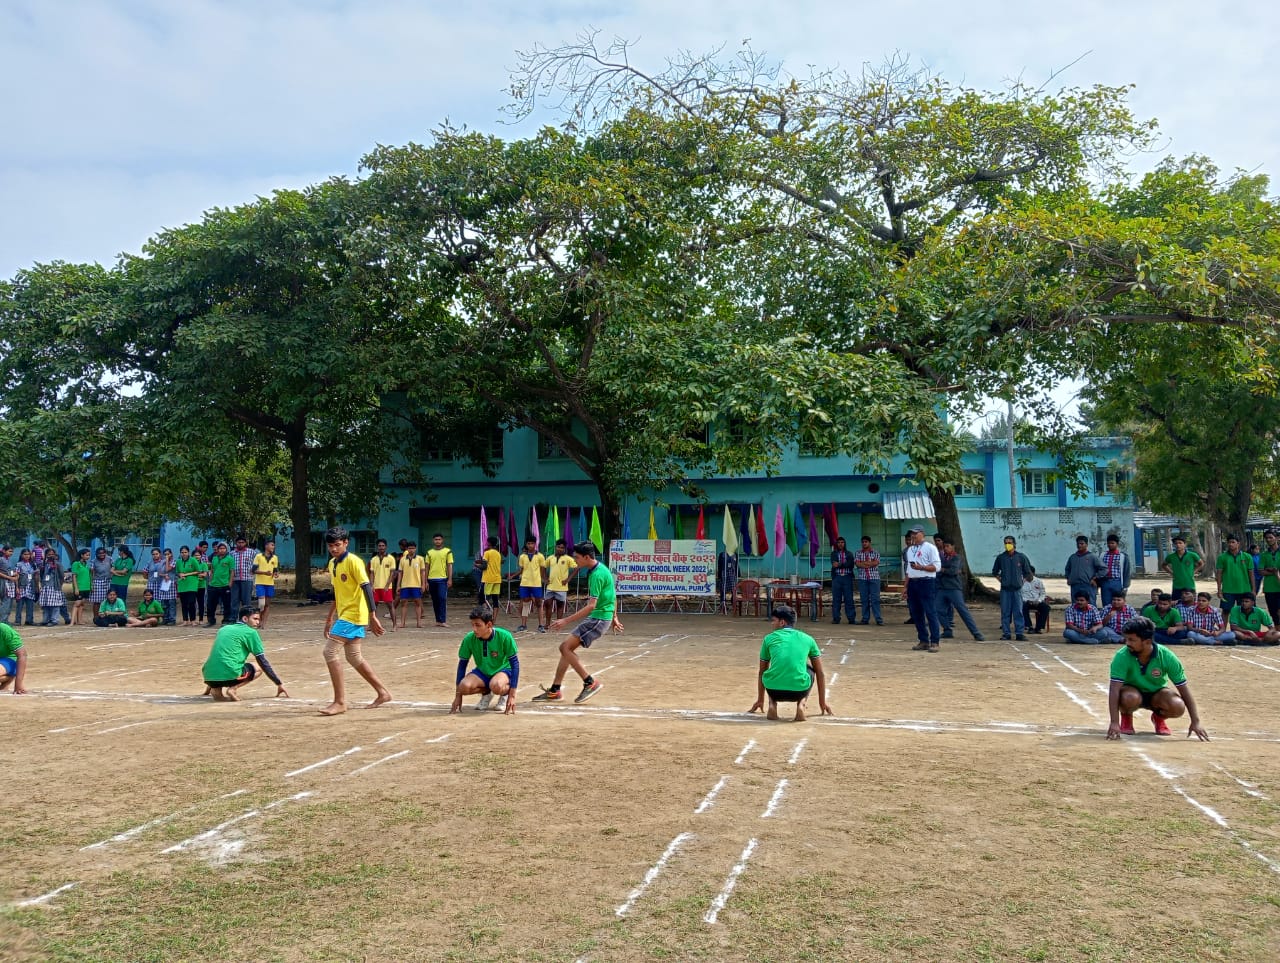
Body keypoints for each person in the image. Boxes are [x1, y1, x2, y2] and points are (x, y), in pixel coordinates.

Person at [531, 541, 619, 703]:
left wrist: (565, 620)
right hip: (601, 617)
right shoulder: (600, 569)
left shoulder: (597, 575)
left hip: (598, 618)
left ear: (586, 557)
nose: (575, 561)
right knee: (567, 649)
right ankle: (555, 690)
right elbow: (612, 595)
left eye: (577, 558)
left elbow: (591, 606)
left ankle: (590, 682)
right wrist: (614, 617)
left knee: (565, 648)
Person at [320, 526, 391, 716]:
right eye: (330, 546)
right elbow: (336, 592)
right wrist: (329, 617)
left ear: (345, 543)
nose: (334, 549)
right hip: (344, 614)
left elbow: (367, 587)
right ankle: (383, 693)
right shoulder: (333, 564)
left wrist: (372, 615)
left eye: (337, 545)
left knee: (329, 651)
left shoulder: (354, 562)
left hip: (354, 614)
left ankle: (340, 701)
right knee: (353, 656)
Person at [1106, 617, 1209, 740]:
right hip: (1130, 693)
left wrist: (1195, 721)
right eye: (1127, 639)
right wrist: (1114, 722)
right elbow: (1114, 689)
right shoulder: (1122, 656)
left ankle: (1159, 718)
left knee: (1177, 706)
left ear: (1147, 642)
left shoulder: (1167, 656)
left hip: (1157, 694)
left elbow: (1183, 689)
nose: (1127, 643)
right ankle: (1126, 717)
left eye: (1132, 640)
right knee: (1129, 697)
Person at [748, 604, 832, 722]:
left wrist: (760, 699)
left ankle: (772, 704)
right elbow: (820, 673)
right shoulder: (808, 639)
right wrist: (822, 703)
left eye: (774, 621)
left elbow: (762, 671)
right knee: (810, 669)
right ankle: (801, 704)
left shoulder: (768, 638)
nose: (772, 623)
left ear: (782, 623)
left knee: (771, 671)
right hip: (799, 691)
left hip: (774, 690)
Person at [201, 607, 290, 702]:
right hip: (231, 674)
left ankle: (215, 689)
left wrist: (210, 685)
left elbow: (219, 657)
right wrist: (278, 683)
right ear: (245, 619)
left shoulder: (224, 629)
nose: (258, 622)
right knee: (258, 668)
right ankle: (233, 689)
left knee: (219, 691)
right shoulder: (251, 632)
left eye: (259, 619)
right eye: (255, 619)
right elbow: (262, 661)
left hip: (209, 675)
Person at [451, 605, 519, 714]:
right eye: (472, 625)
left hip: (503, 670)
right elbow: (462, 665)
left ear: (489, 625)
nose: (474, 629)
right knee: (463, 687)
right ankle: (487, 693)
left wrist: (512, 695)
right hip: (483, 671)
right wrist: (458, 696)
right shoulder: (469, 638)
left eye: (478, 625)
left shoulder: (505, 636)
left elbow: (515, 664)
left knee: (496, 685)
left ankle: (505, 694)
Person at [903, 526, 942, 651]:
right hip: (913, 583)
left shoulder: (930, 548)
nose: (913, 536)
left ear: (922, 534)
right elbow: (909, 570)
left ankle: (935, 641)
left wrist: (922, 567)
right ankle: (923, 640)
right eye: (912, 534)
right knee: (916, 613)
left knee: (930, 612)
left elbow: (937, 567)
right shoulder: (910, 550)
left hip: (926, 582)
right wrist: (905, 587)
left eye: (916, 533)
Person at [991, 536, 1032, 641]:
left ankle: (1019, 633)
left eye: (1009, 542)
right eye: (1005, 543)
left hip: (1017, 590)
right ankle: (1006, 633)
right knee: (1005, 612)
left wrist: (1021, 582)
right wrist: (1002, 580)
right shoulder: (1001, 558)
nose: (1007, 544)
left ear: (1014, 544)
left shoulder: (1021, 557)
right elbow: (995, 572)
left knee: (1018, 611)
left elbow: (1028, 572)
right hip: (1005, 590)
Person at [1216, 534, 1256, 620]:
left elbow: (1251, 574)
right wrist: (1219, 590)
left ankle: (1243, 631)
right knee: (1226, 611)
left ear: (1238, 543)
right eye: (1229, 542)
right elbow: (1219, 574)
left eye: (1233, 542)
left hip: (1244, 590)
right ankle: (1223, 630)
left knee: (1244, 611)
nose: (1230, 544)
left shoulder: (1247, 556)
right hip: (1227, 590)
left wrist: (1253, 589)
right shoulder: (1222, 557)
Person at [542, 539, 577, 629]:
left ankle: (558, 625)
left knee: (560, 606)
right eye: (558, 547)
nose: (560, 549)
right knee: (548, 605)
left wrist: (568, 579)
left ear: (565, 549)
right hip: (550, 586)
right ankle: (547, 624)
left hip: (562, 587)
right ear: (555, 547)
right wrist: (545, 578)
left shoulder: (568, 559)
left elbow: (577, 568)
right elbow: (543, 567)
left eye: (562, 548)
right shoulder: (550, 558)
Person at [513, 537, 545, 632]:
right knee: (525, 602)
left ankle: (541, 625)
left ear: (535, 544)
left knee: (539, 603)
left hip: (536, 583)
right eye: (528, 543)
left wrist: (541, 578)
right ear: (526, 545)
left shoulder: (540, 556)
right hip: (525, 582)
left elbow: (542, 569)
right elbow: (522, 569)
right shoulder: (522, 557)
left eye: (532, 543)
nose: (530, 545)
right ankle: (523, 625)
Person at [1064, 536, 1105, 608]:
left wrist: (1095, 578)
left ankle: (1092, 619)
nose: (1079, 545)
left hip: (1088, 585)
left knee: (1090, 605)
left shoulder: (1092, 557)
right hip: (1075, 586)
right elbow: (1067, 569)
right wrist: (1068, 578)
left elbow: (1104, 569)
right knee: (1076, 605)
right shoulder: (1073, 557)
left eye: (1082, 544)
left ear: (1086, 544)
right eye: (1078, 544)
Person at [1160, 535, 1203, 600]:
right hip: (1177, 585)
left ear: (1185, 544)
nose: (1178, 545)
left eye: (1180, 543)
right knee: (1175, 604)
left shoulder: (1192, 555)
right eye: (1176, 543)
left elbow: (1201, 563)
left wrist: (1194, 572)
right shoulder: (1171, 556)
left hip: (1189, 584)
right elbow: (1164, 565)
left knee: (1191, 605)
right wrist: (1171, 573)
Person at [853, 535, 883, 625]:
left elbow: (876, 563)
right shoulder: (858, 553)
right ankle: (865, 619)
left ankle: (878, 619)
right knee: (864, 599)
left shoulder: (875, 553)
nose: (864, 543)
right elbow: (858, 564)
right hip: (862, 579)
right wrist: (869, 563)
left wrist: (865, 564)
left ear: (870, 542)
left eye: (866, 542)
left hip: (874, 578)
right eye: (863, 542)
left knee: (875, 599)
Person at [425, 533, 454, 627]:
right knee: (435, 600)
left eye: (439, 539)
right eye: (436, 539)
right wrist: (425, 581)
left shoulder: (448, 551)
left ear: (442, 540)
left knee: (442, 598)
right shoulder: (429, 552)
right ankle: (438, 620)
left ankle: (443, 620)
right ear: (433, 541)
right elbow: (426, 567)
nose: (437, 541)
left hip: (442, 579)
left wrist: (450, 579)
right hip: (431, 579)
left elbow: (449, 565)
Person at [369, 538, 399, 628]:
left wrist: (387, 585)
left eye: (383, 546)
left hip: (387, 587)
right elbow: (372, 573)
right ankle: (371, 625)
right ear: (377, 547)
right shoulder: (373, 559)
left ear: (386, 547)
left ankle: (394, 625)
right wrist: (371, 585)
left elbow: (392, 573)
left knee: (390, 605)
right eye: (379, 546)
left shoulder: (391, 558)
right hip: (376, 586)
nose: (381, 547)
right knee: (373, 607)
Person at [37, 546, 70, 626]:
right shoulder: (43, 564)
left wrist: (60, 585)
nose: (51, 555)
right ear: (46, 555)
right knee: (45, 605)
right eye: (49, 554)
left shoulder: (58, 564)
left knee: (56, 605)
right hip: (45, 587)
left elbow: (62, 576)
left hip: (55, 587)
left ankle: (54, 620)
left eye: (52, 554)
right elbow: (41, 575)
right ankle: (45, 620)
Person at [396, 540, 426, 628]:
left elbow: (423, 572)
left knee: (417, 603)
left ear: (415, 549)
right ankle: (402, 623)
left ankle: (419, 623)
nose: (411, 550)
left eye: (413, 548)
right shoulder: (402, 559)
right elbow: (400, 573)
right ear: (407, 549)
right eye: (409, 548)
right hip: (405, 585)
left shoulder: (420, 559)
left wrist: (423, 584)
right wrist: (398, 585)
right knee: (403, 603)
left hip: (416, 585)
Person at [227, 536, 256, 622]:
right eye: (239, 542)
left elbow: (257, 563)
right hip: (235, 579)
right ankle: (233, 618)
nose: (240, 544)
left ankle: (245, 619)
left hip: (247, 579)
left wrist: (254, 570)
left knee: (246, 601)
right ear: (236, 543)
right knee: (234, 600)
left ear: (245, 543)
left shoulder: (252, 552)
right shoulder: (231, 553)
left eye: (242, 542)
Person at [252, 540, 280, 628]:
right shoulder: (258, 556)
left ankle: (263, 622)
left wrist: (276, 574)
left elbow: (275, 570)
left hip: (270, 583)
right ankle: (259, 619)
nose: (273, 547)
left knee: (267, 604)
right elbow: (253, 570)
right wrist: (264, 573)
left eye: (274, 545)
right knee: (261, 603)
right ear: (266, 546)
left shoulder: (275, 557)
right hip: (260, 582)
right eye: (272, 545)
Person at [176, 546, 207, 626]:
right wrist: (180, 575)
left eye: (185, 552)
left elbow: (198, 571)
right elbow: (177, 572)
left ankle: (193, 620)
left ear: (188, 552)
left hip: (192, 584)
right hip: (182, 584)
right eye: (182, 552)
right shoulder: (178, 561)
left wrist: (187, 574)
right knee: (184, 603)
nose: (184, 554)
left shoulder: (193, 560)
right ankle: (185, 620)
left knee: (191, 602)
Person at [1099, 534, 1132, 608]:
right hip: (1105, 582)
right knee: (1106, 604)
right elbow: (1099, 569)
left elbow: (1126, 572)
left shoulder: (1123, 557)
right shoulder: (1102, 555)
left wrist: (1125, 586)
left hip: (1117, 582)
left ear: (1117, 544)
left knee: (1118, 603)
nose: (1110, 545)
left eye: (1112, 543)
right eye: (1109, 543)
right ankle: (1107, 618)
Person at [205, 542, 234, 625]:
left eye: (223, 548)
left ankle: (226, 620)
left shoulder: (230, 559)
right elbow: (211, 570)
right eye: (220, 548)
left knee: (226, 604)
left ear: (226, 549)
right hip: (213, 585)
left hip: (225, 585)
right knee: (211, 604)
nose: (221, 550)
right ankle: (211, 620)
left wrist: (230, 583)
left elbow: (232, 572)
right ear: (217, 549)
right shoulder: (213, 558)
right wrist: (210, 581)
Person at [829, 536, 856, 625]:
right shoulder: (834, 553)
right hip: (837, 578)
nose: (840, 544)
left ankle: (851, 618)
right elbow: (834, 564)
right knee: (836, 599)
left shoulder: (849, 554)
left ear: (845, 544)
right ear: (837, 544)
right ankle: (836, 618)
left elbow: (850, 564)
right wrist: (844, 564)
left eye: (842, 542)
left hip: (847, 577)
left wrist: (840, 564)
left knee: (849, 599)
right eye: (839, 542)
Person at [0, 622, 28, 694]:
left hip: (9, 659)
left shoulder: (4, 629)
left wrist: (18, 684)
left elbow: (22, 654)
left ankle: (10, 677)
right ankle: (6, 682)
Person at [1021, 566, 1050, 635]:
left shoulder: (1038, 581)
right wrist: (1027, 600)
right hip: (1026, 602)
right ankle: (1029, 626)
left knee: (1046, 607)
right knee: (1022, 607)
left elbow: (1043, 593)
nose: (1027, 575)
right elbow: (1019, 595)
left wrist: (1039, 600)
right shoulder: (1021, 582)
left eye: (1028, 573)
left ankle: (1038, 627)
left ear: (1033, 573)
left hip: (1037, 602)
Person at [1259, 529, 1280, 624]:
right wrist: (1275, 572)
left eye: (1271, 537)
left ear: (1277, 538)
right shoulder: (1264, 555)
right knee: (1273, 613)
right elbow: (1261, 571)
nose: (1268, 540)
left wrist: (1271, 570)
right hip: (1269, 588)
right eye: (1266, 538)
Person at [13, 549, 37, 626]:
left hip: (31, 587)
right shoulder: (19, 564)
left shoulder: (33, 564)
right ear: (22, 555)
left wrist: (37, 586)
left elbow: (36, 576)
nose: (27, 556)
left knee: (30, 605)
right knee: (19, 605)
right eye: (25, 554)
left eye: (28, 554)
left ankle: (29, 620)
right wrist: (17, 588)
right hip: (22, 587)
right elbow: (16, 576)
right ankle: (18, 620)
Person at [70, 547, 93, 625]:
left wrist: (91, 586)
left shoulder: (86, 564)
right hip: (80, 587)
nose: (88, 557)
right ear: (81, 555)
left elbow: (88, 576)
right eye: (87, 555)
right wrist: (76, 588)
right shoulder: (76, 564)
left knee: (82, 604)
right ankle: (72, 622)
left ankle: (79, 620)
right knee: (77, 604)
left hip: (86, 587)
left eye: (89, 555)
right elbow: (74, 576)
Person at [480, 535, 503, 613]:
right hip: (497, 579)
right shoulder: (498, 554)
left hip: (488, 578)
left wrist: (477, 565)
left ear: (489, 543)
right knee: (495, 598)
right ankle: (494, 618)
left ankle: (486, 612)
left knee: (482, 597)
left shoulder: (487, 553)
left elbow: (484, 566)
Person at [193, 541, 211, 623]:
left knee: (201, 602)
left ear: (201, 556)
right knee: (192, 603)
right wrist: (198, 574)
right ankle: (192, 620)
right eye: (195, 555)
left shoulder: (204, 564)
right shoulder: (190, 564)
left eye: (198, 555)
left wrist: (194, 575)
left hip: (201, 585)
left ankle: (200, 619)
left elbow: (204, 575)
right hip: (191, 586)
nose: (197, 557)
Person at [0, 546, 16, 625]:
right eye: (9, 551)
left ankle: (5, 620)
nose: (11, 553)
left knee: (8, 601)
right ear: (4, 551)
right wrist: (8, 577)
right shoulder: (1, 559)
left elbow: (9, 571)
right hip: (3, 582)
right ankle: (2, 621)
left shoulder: (9, 560)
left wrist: (15, 574)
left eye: (12, 551)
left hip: (9, 582)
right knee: (5, 601)